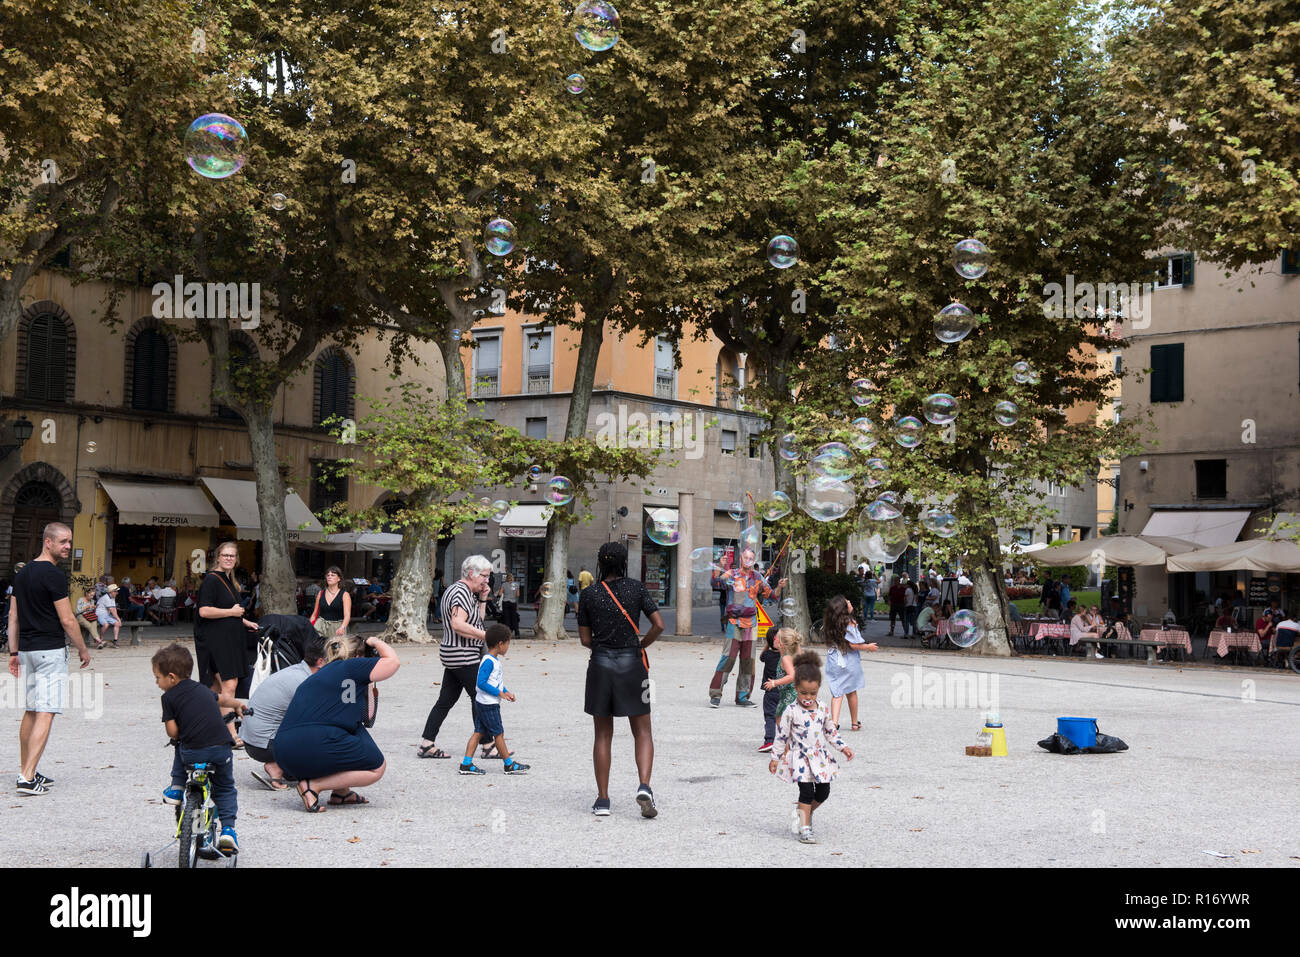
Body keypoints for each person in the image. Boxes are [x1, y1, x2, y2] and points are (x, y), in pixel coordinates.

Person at [578, 541, 664, 818]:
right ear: (624, 562)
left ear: (600, 564)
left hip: (601, 664)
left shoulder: (589, 593)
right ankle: (645, 786)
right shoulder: (637, 588)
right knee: (643, 731)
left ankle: (603, 800)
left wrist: (603, 647)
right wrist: (641, 646)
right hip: (633, 665)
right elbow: (659, 625)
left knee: (602, 734)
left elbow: (584, 639)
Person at [7, 523, 92, 794]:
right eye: (63, 542)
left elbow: (13, 617)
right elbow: (67, 618)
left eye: (69, 542)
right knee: (46, 711)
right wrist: (83, 648)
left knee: (32, 709)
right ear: (48, 542)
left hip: (28, 651)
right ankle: (27, 777)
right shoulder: (53, 575)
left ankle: (26, 769)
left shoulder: (22, 574)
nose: (68, 546)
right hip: (50, 650)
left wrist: (12, 651)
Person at [275, 634, 399, 811]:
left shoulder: (317, 676)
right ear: (357, 657)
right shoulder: (352, 666)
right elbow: (393, 662)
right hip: (316, 743)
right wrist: (375, 641)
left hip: (284, 753)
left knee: (349, 728)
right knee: (377, 767)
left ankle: (342, 792)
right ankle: (313, 786)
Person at [153, 643, 242, 851]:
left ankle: (177, 787)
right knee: (225, 788)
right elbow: (223, 699)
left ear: (172, 677)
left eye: (158, 677)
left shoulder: (168, 697)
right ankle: (228, 830)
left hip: (192, 753)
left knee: (179, 742)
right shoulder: (203, 689)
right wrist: (238, 705)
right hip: (221, 750)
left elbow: (173, 733)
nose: (157, 682)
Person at [768, 651, 854, 845]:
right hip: (800, 759)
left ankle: (804, 812)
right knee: (806, 792)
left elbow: (831, 731)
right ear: (796, 688)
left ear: (818, 689)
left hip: (820, 757)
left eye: (812, 693)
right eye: (803, 693)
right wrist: (775, 757)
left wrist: (843, 747)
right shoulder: (791, 711)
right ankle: (805, 827)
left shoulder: (823, 708)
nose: (808, 697)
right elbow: (781, 736)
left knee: (823, 792)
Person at [417, 555, 494, 760]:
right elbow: (458, 624)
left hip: (454, 654)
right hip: (463, 654)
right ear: (472, 574)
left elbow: (477, 620)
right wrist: (487, 636)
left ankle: (426, 743)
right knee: (480, 698)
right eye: (485, 576)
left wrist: (483, 599)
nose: (487, 580)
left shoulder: (464, 592)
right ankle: (487, 745)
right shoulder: (461, 593)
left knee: (446, 700)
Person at [195, 541, 261, 748]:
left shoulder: (227, 579)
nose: (229, 558)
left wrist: (243, 621)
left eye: (232, 556)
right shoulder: (211, 580)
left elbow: (226, 609)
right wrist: (232, 613)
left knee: (216, 688)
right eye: (225, 555)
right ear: (218, 557)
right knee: (228, 685)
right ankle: (230, 733)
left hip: (227, 638)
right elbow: (204, 611)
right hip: (216, 640)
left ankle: (208, 728)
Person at [242, 634, 328, 790]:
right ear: (321, 662)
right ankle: (277, 766)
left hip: (253, 740)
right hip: (263, 746)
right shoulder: (304, 682)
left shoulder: (296, 671)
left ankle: (288, 767)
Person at [709, 546, 787, 708]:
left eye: (751, 558)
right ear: (740, 559)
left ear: (754, 560)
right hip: (733, 623)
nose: (748, 561)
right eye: (746, 558)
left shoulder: (758, 577)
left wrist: (779, 586)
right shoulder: (732, 574)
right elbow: (715, 583)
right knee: (727, 658)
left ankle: (742, 697)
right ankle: (715, 694)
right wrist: (719, 567)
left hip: (751, 625)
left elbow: (772, 595)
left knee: (748, 661)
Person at [459, 624, 530, 776]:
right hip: (488, 704)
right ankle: (509, 765)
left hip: (485, 703)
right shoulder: (489, 661)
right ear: (500, 644)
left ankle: (466, 764)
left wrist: (506, 692)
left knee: (478, 733)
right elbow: (481, 683)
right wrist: (499, 693)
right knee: (498, 734)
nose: (508, 647)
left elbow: (496, 682)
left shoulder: (494, 660)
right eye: (508, 643)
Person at [822, 595, 877, 730]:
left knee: (837, 692)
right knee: (851, 691)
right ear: (843, 609)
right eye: (847, 602)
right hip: (849, 661)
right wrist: (867, 647)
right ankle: (854, 723)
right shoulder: (850, 622)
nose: (850, 602)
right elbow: (853, 644)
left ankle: (834, 722)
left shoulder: (831, 622)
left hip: (834, 660)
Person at [759, 627, 801, 753]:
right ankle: (789, 748)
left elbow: (792, 675)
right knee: (784, 720)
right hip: (786, 694)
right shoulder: (788, 655)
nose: (774, 638)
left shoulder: (785, 658)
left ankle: (783, 747)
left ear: (781, 643)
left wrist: (774, 682)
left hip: (787, 695)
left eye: (776, 636)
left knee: (780, 720)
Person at [309, 566, 351, 639]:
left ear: (339, 578)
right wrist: (309, 627)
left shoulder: (345, 595)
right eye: (328, 575)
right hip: (320, 625)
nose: (329, 577)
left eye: (332, 575)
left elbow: (347, 615)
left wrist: (343, 627)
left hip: (337, 627)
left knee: (335, 649)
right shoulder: (321, 593)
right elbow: (315, 613)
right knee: (318, 647)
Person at [95, 583, 122, 648]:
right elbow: (112, 610)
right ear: (112, 592)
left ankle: (115, 641)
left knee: (117, 624)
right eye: (116, 591)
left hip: (107, 614)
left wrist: (118, 620)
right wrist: (118, 619)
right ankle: (101, 639)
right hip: (100, 614)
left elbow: (114, 609)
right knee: (106, 624)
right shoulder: (106, 598)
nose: (117, 593)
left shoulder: (112, 597)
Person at [499, 572, 521, 638]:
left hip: (505, 602)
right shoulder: (516, 585)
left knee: (506, 618)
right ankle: (517, 633)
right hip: (513, 602)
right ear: (512, 578)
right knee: (514, 617)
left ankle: (507, 633)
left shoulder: (504, 584)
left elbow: (500, 594)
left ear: (506, 578)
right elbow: (518, 595)